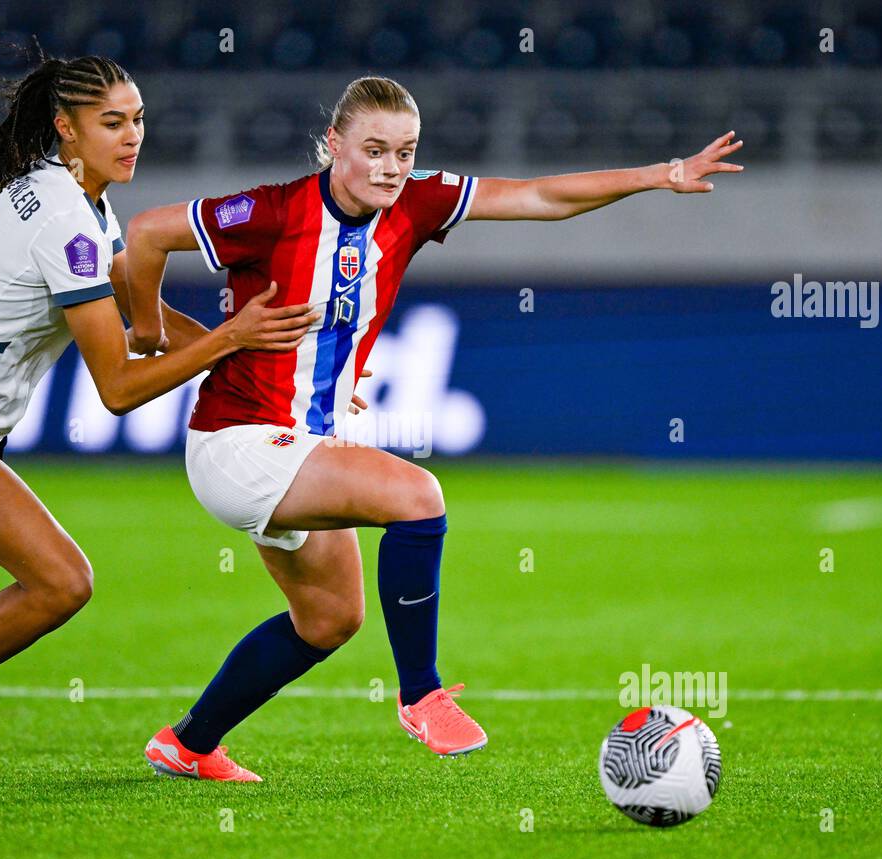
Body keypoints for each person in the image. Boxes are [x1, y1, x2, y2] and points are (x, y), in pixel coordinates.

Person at [124, 75, 744, 782]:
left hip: (300, 440)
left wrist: (663, 175)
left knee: (327, 621)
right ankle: (421, 693)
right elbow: (143, 237)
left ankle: (188, 743)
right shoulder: (270, 212)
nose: (391, 168)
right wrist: (159, 332)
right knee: (418, 497)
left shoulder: (418, 199)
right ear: (334, 146)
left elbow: (540, 197)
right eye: (375, 150)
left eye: (405, 151)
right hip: (237, 444)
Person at [0, 53, 316, 786]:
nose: (132, 136)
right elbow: (119, 386)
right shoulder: (67, 221)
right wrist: (229, 340)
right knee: (62, 581)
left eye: (139, 119)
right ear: (66, 128)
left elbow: (138, 312)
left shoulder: (74, 198)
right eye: (112, 122)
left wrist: (254, 356)